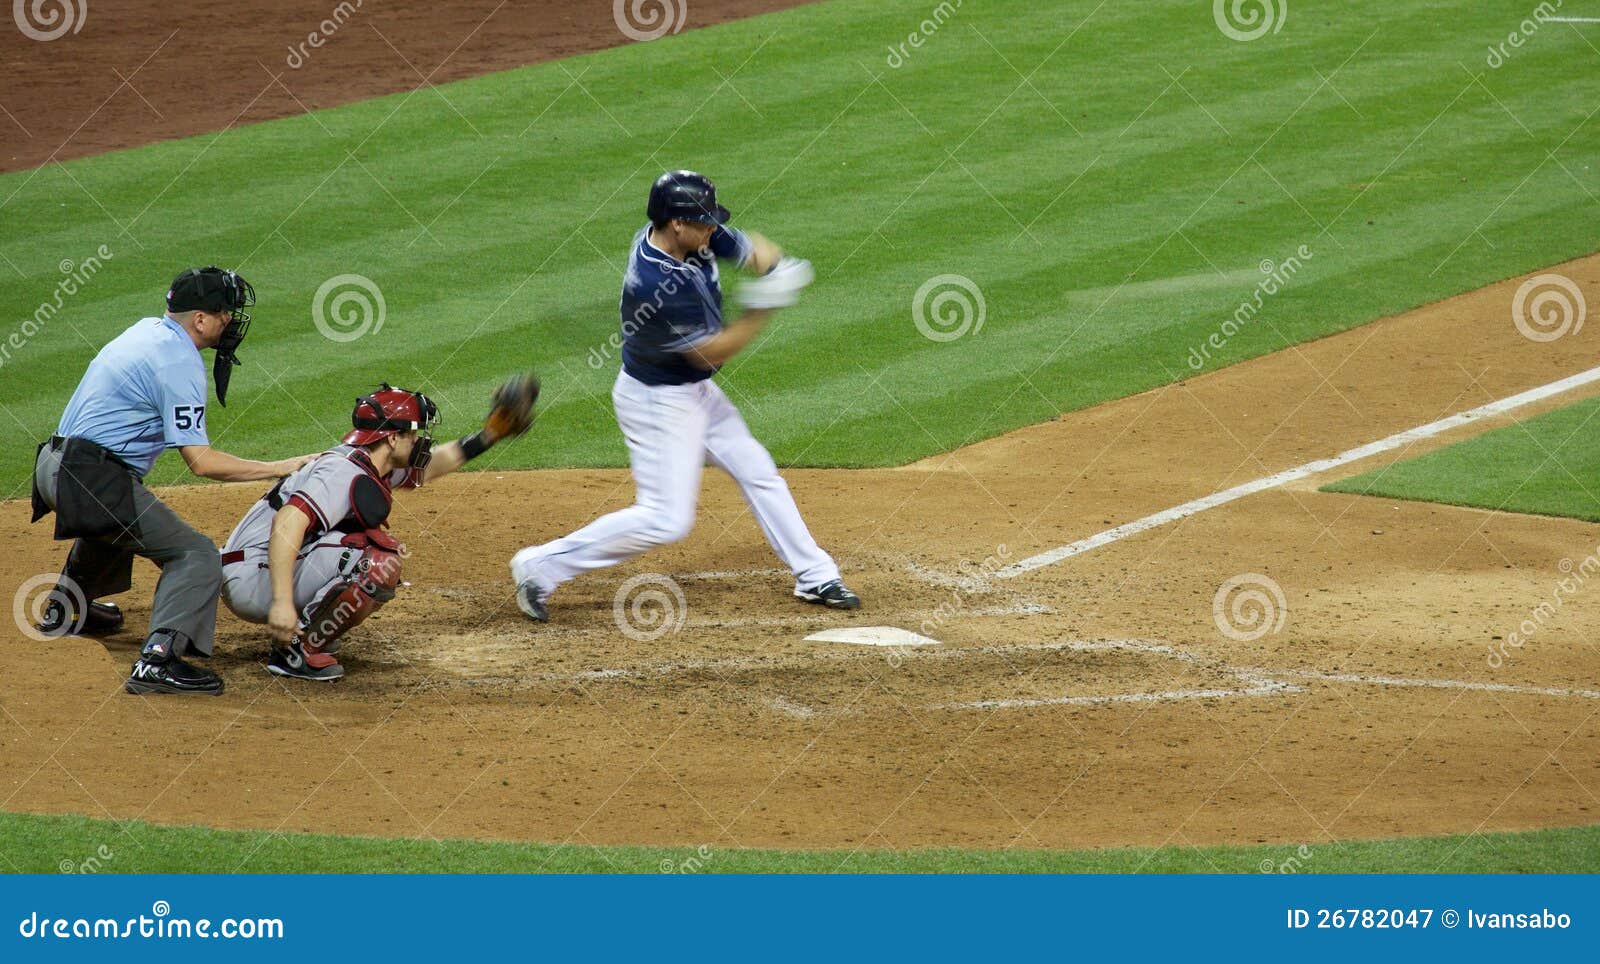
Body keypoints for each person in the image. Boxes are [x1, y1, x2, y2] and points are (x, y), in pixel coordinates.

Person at [510, 170, 861, 623]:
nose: (713, 229)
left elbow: (751, 247)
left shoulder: (692, 234)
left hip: (692, 391)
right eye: (704, 222)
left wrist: (776, 267)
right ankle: (540, 565)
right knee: (665, 520)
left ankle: (814, 574)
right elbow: (711, 355)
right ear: (677, 223)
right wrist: (764, 306)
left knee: (756, 469)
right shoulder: (654, 287)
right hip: (658, 401)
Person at [31, 266, 317, 696]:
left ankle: (66, 609)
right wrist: (280, 466)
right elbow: (201, 462)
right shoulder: (179, 362)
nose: (232, 321)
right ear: (200, 319)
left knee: (114, 522)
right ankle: (158, 660)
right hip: (86, 476)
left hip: (55, 464)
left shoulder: (148, 330)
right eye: (225, 312)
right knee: (197, 554)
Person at [219, 376, 537, 680]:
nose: (419, 440)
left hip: (255, 567)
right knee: (377, 561)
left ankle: (308, 629)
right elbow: (287, 523)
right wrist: (282, 603)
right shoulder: (343, 471)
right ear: (392, 437)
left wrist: (489, 435)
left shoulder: (373, 461)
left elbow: (433, 466)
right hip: (251, 578)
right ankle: (295, 653)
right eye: (412, 434)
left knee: (363, 548)